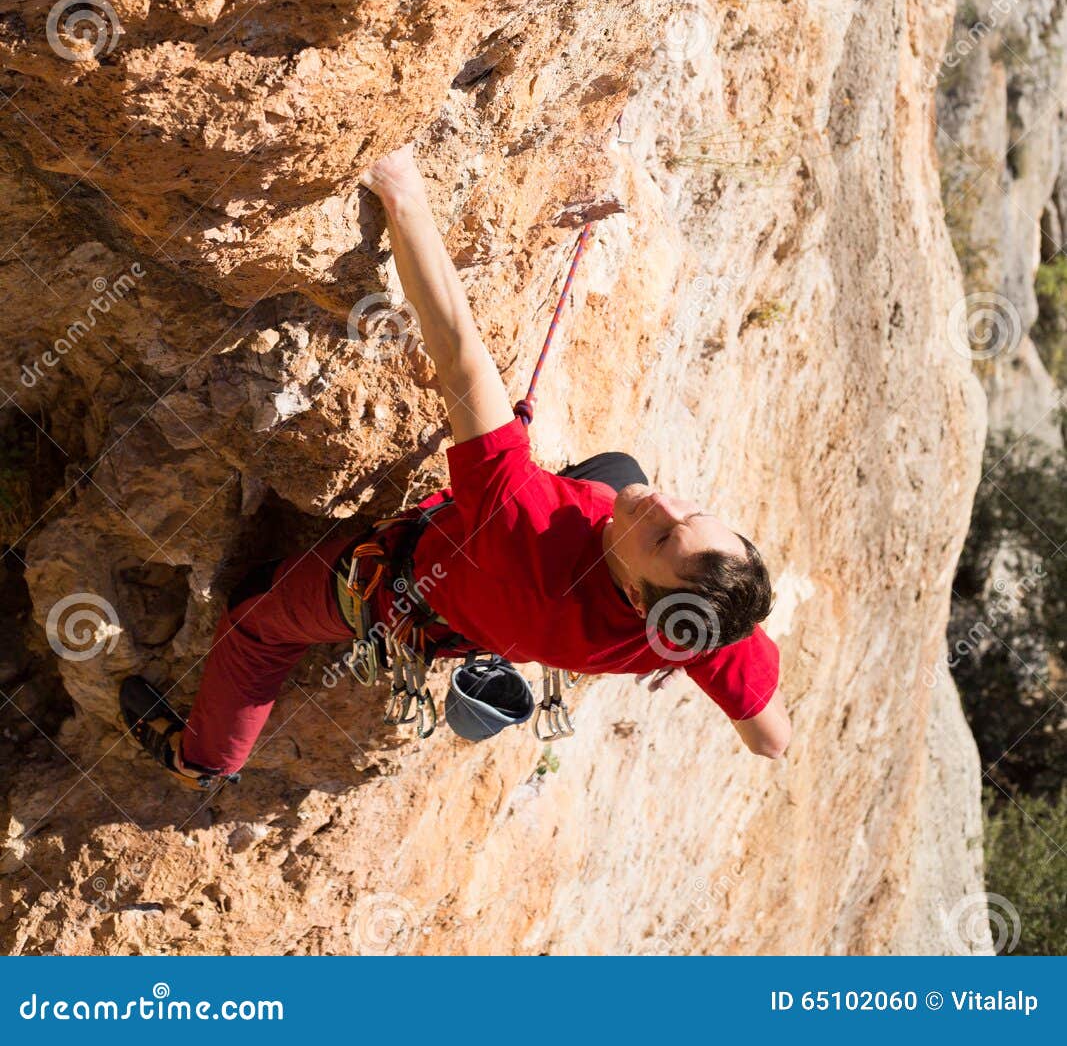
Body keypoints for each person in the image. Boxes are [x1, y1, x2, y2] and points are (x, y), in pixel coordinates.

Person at [121, 146, 790, 785]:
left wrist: (402, 190)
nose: (667, 503)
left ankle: (206, 760)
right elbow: (770, 742)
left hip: (411, 586)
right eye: (696, 514)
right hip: (503, 609)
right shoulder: (699, 621)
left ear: (639, 600)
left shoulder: (519, 521)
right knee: (618, 469)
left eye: (664, 535)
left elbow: (458, 356)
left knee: (257, 620)